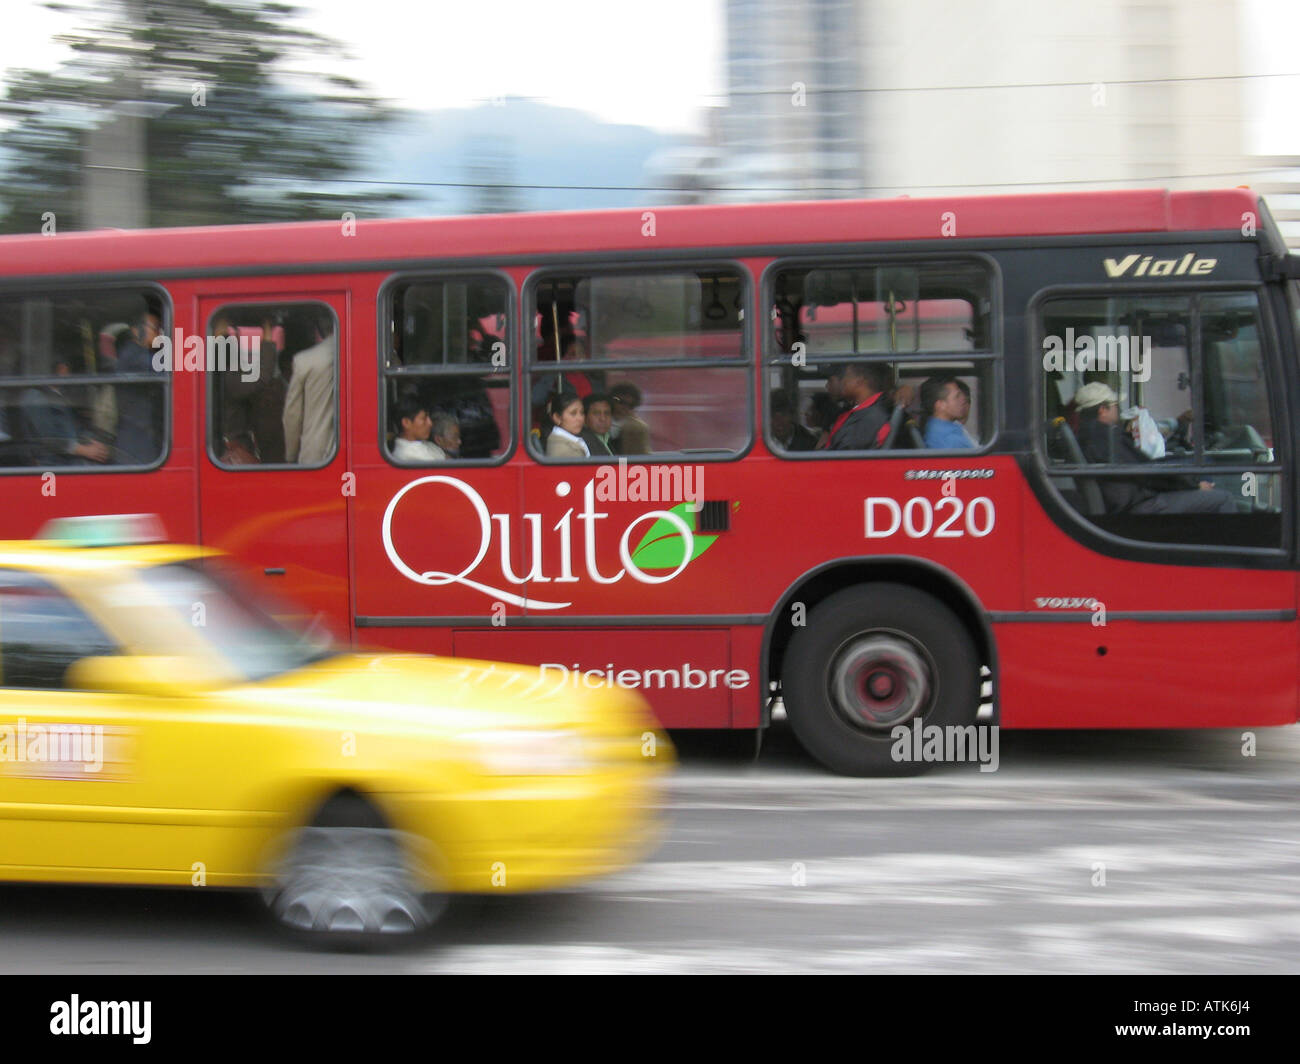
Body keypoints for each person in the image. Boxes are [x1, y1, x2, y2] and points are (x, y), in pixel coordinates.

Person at [1073, 382, 1237, 515]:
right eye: (1115, 405)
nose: (1118, 409)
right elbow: (1147, 474)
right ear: (1103, 409)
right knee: (1223, 499)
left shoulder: (1089, 435)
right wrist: (1194, 486)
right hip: (1139, 504)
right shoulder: (1106, 438)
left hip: (1128, 500)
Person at [19, 360, 109, 465]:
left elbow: (77, 428)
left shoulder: (61, 395)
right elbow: (49, 438)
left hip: (72, 459)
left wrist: (96, 445)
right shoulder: (34, 397)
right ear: (61, 369)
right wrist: (84, 450)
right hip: (52, 464)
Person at [283, 312, 337, 465]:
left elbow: (293, 415)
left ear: (320, 329)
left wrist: (290, 456)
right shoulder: (379, 353)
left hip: (316, 455)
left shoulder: (304, 361)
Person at [113, 310, 165, 464]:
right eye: (155, 328)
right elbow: (160, 368)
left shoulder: (143, 354)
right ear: (136, 331)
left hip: (142, 436)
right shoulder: (133, 356)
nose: (159, 334)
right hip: (135, 441)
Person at [826, 363, 895, 450]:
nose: (842, 381)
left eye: (846, 376)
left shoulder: (871, 417)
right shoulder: (862, 412)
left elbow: (846, 453)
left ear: (859, 380)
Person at [921, 375, 976, 448]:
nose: (964, 399)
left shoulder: (940, 427)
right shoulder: (949, 440)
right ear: (941, 405)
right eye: (957, 396)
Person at [391, 397, 446, 462]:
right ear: (406, 422)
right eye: (424, 418)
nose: (430, 423)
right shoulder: (407, 456)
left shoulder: (424, 443)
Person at [609, 382, 650, 454]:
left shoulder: (637, 427)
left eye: (630, 405)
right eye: (621, 402)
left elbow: (642, 454)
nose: (625, 407)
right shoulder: (603, 420)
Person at [545, 391, 589, 458]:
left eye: (582, 413)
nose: (580, 418)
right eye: (573, 413)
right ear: (557, 418)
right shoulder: (565, 450)